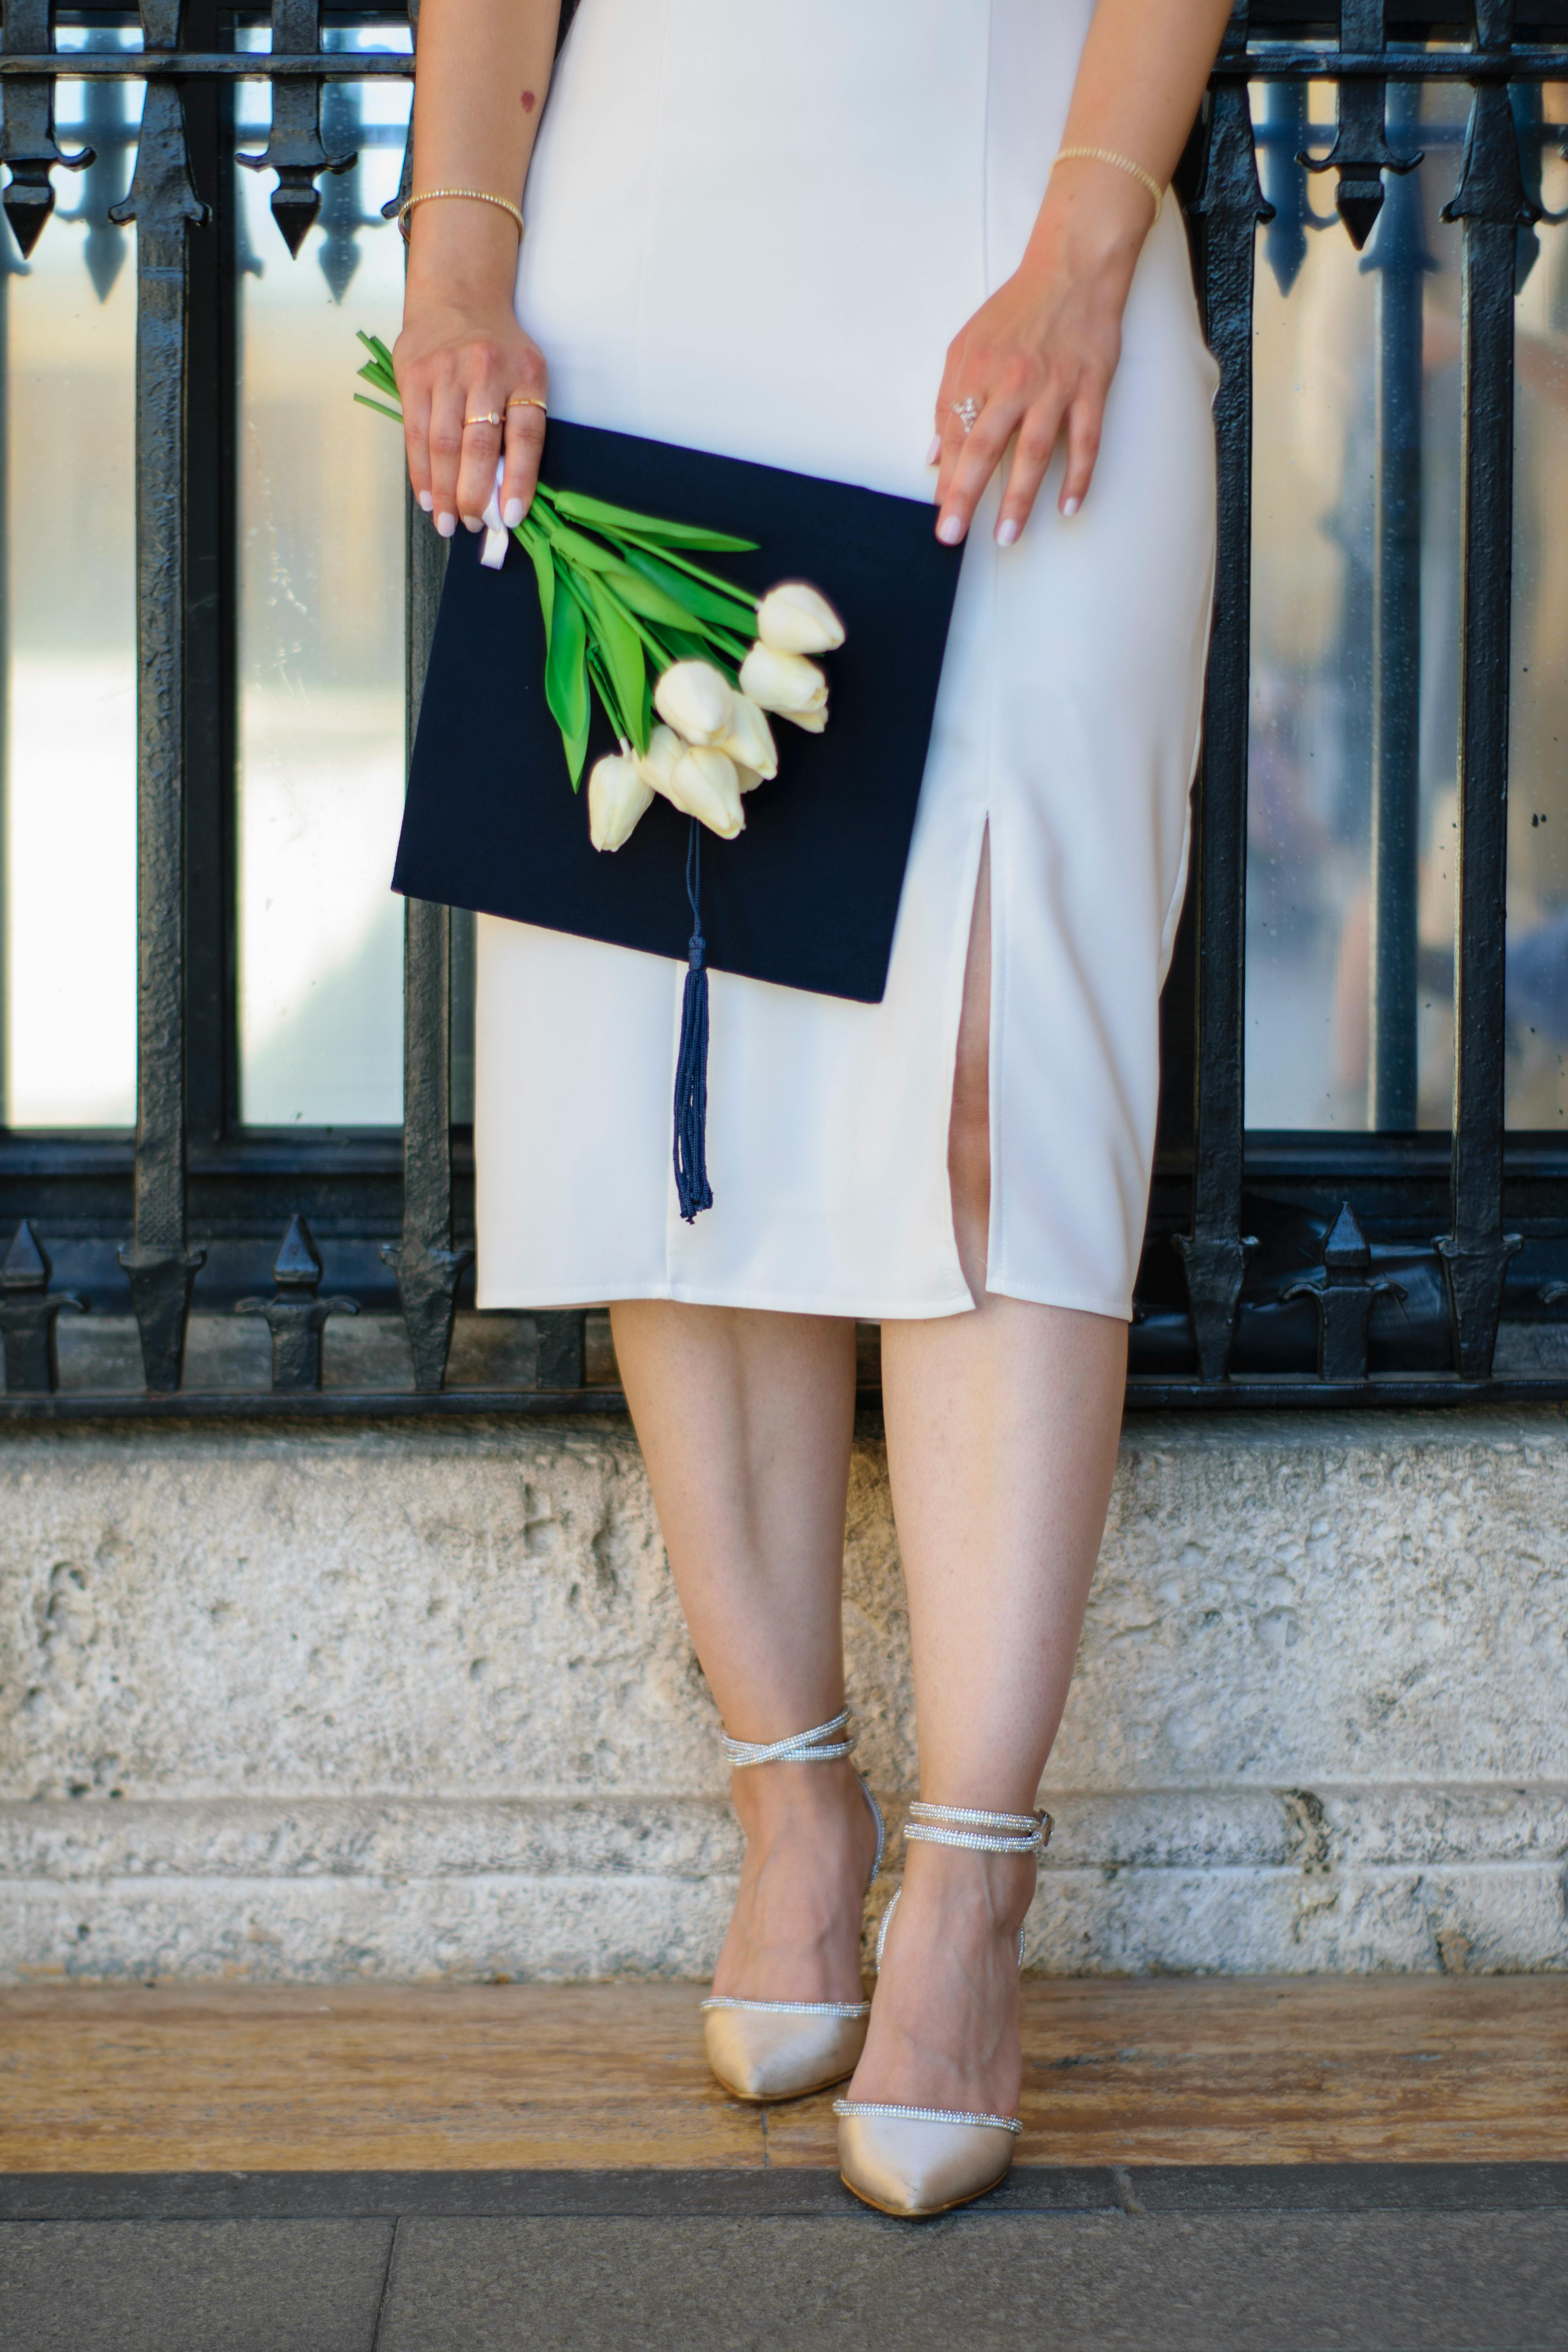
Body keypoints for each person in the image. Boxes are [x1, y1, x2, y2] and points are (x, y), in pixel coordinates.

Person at [395, 0, 1230, 2218]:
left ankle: (969, 1883)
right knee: (691, 1031)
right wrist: (459, 250)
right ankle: (796, 1797)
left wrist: (1081, 248)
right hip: (660, 258)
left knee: (1002, 1054)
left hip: (1025, 205)